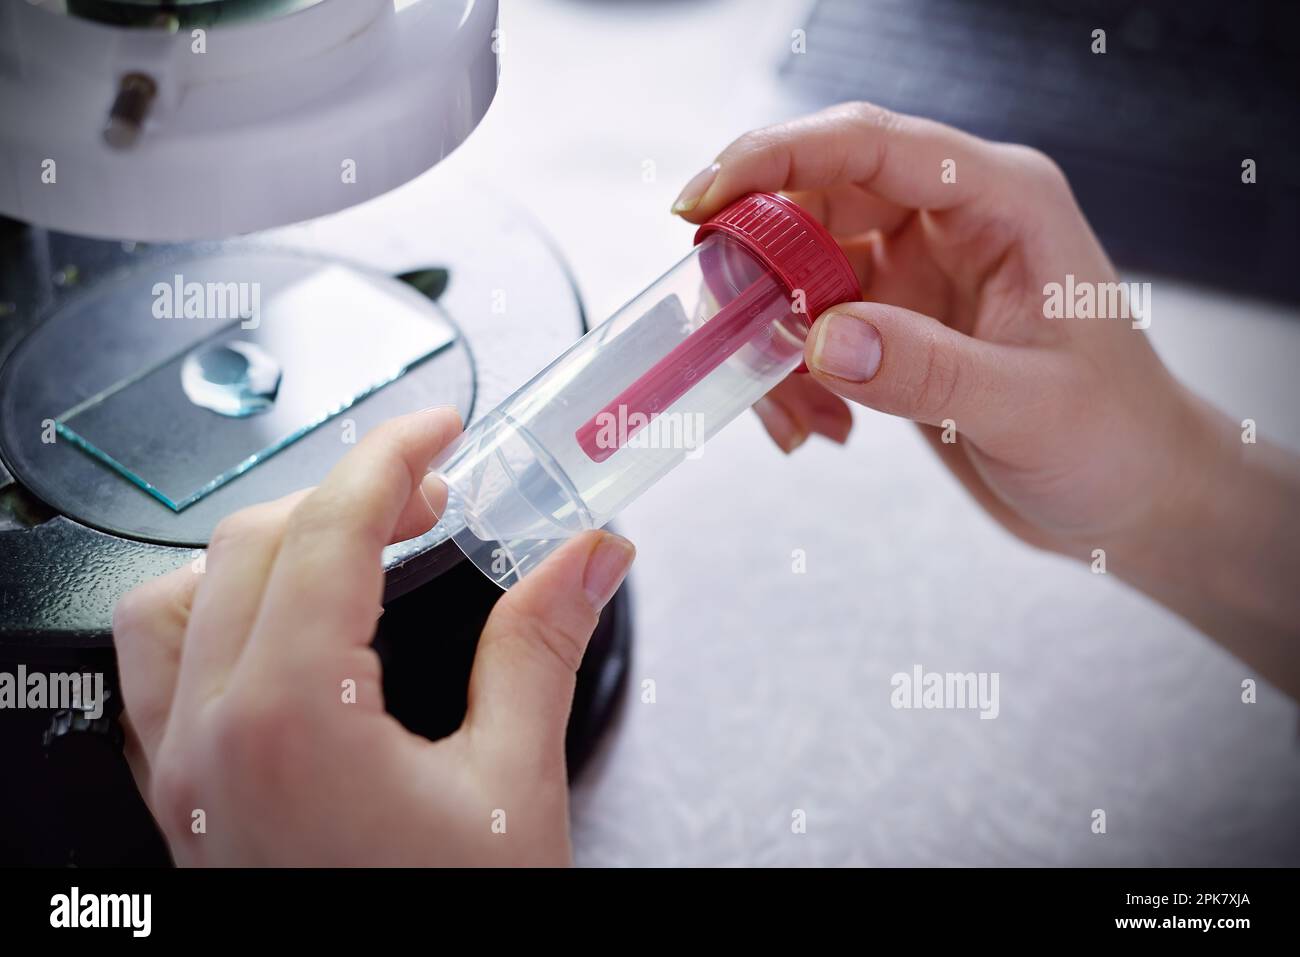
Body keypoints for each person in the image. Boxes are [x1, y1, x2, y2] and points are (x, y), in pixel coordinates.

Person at [112, 102, 1300, 866]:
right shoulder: (732, 324)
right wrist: (1170, 496)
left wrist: (1166, 493)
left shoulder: (765, 332)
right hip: (522, 470)